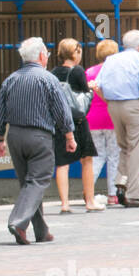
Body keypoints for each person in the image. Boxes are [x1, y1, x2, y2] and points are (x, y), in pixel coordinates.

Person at [0, 37, 77, 244]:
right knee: (37, 181)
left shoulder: (10, 79)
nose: (47, 57)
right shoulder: (48, 79)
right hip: (39, 137)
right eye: (46, 54)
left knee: (29, 183)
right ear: (41, 56)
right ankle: (19, 223)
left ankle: (41, 231)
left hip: (15, 137)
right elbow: (61, 111)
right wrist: (69, 135)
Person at [90, 30, 139, 207]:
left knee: (124, 146)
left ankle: (120, 182)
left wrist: (108, 101)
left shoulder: (111, 60)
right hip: (134, 104)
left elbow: (97, 85)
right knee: (137, 150)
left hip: (113, 106)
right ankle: (133, 194)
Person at [51, 39, 101, 213]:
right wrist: (91, 87)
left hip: (60, 123)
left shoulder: (54, 72)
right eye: (78, 51)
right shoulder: (78, 71)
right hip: (78, 121)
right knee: (86, 160)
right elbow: (84, 93)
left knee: (62, 163)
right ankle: (90, 201)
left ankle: (65, 204)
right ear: (75, 52)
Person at [84, 39, 121, 204]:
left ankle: (88, 191)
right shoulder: (115, 71)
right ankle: (113, 194)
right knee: (114, 155)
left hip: (92, 119)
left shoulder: (89, 72)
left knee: (96, 156)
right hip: (112, 117)